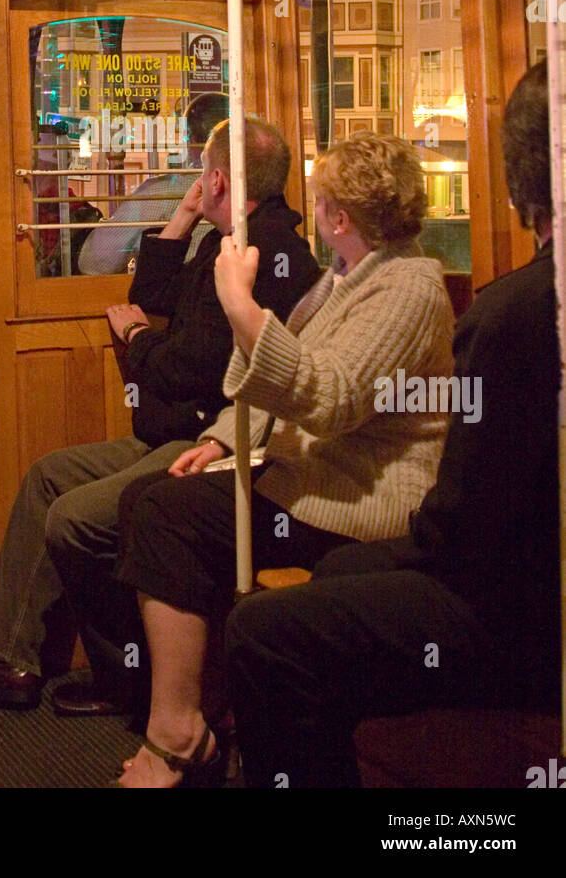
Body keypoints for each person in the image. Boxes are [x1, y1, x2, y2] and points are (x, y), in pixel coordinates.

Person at [225, 62, 561, 788]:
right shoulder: (341, 280)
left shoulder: (494, 310)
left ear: (518, 188)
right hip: (516, 569)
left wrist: (243, 312)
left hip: (530, 613)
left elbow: (461, 522)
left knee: (267, 630)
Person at [0, 116, 320, 712]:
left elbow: (191, 367)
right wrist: (185, 217)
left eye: (202, 177)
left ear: (217, 178)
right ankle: (10, 657)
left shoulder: (265, 250)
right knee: (45, 478)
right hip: (174, 429)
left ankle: (125, 680)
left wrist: (138, 340)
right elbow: (157, 296)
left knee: (74, 518)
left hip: (213, 440)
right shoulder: (224, 238)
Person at [111, 131, 454, 787]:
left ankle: (177, 737)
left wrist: (240, 305)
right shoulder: (344, 280)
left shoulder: (409, 288)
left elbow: (328, 397)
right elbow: (275, 380)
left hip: (359, 500)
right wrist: (222, 440)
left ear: (339, 217)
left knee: (165, 513)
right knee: (154, 503)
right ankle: (193, 713)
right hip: (310, 477)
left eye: (322, 200)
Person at [76, 92, 228, 275]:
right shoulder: (259, 192)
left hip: (171, 299)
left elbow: (95, 262)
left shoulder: (160, 192)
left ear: (190, 138)